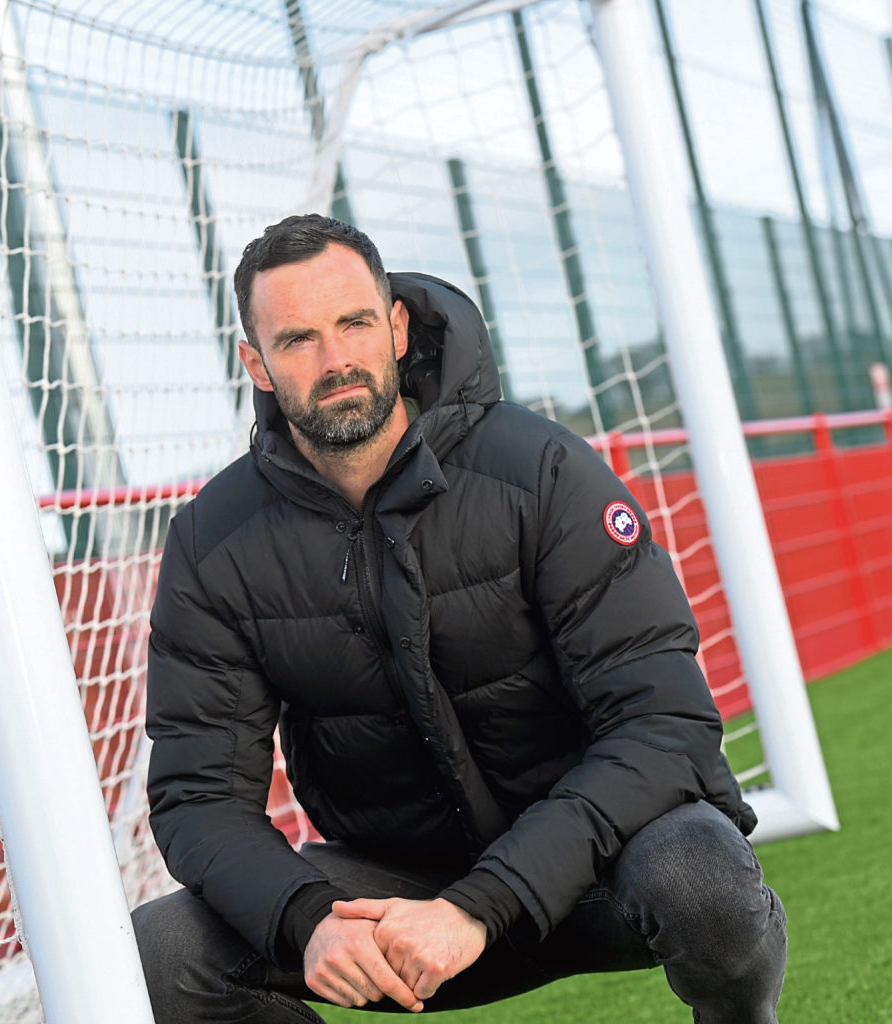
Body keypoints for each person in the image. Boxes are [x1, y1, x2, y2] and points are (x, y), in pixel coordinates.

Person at [132, 214, 786, 1023]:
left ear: (397, 328)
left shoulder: (542, 471)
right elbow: (198, 796)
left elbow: (665, 728)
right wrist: (306, 920)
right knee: (164, 954)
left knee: (700, 877)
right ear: (256, 365)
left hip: (595, 869)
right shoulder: (214, 541)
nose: (335, 360)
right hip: (399, 901)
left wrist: (484, 902)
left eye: (354, 324)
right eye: (298, 339)